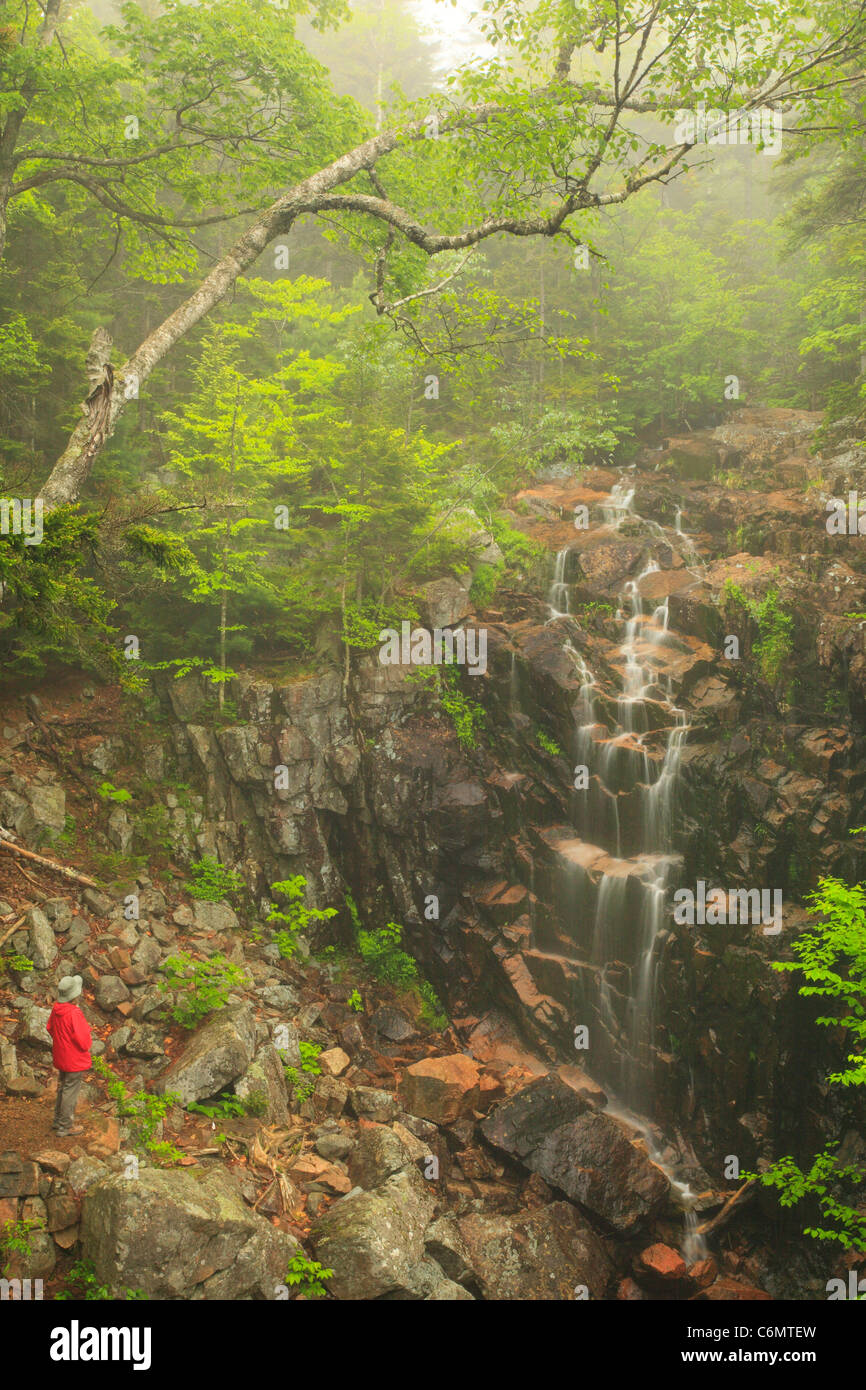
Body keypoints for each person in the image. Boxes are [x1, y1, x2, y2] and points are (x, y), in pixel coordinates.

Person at [46, 975, 92, 1137]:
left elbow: (50, 1028)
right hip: (73, 1058)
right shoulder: (74, 1013)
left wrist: (61, 1041)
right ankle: (65, 1126)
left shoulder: (57, 1009)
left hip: (61, 1055)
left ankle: (58, 1120)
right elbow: (84, 1040)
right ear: (74, 996)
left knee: (62, 1087)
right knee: (70, 1090)